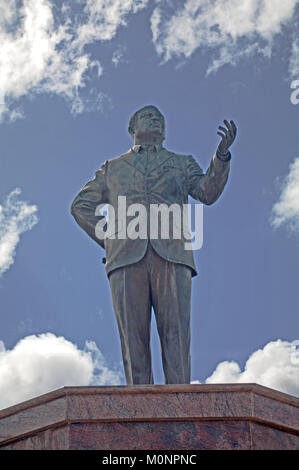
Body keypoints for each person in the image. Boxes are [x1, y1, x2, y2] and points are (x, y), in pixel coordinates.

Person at [71, 105, 237, 385]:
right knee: (133, 340)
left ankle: (181, 405)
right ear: (132, 127)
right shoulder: (113, 167)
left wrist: (221, 156)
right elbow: (80, 206)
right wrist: (111, 240)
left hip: (172, 255)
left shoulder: (182, 163)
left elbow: (207, 192)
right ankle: (139, 411)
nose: (157, 121)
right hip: (125, 259)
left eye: (161, 119)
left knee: (176, 336)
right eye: (149, 117)